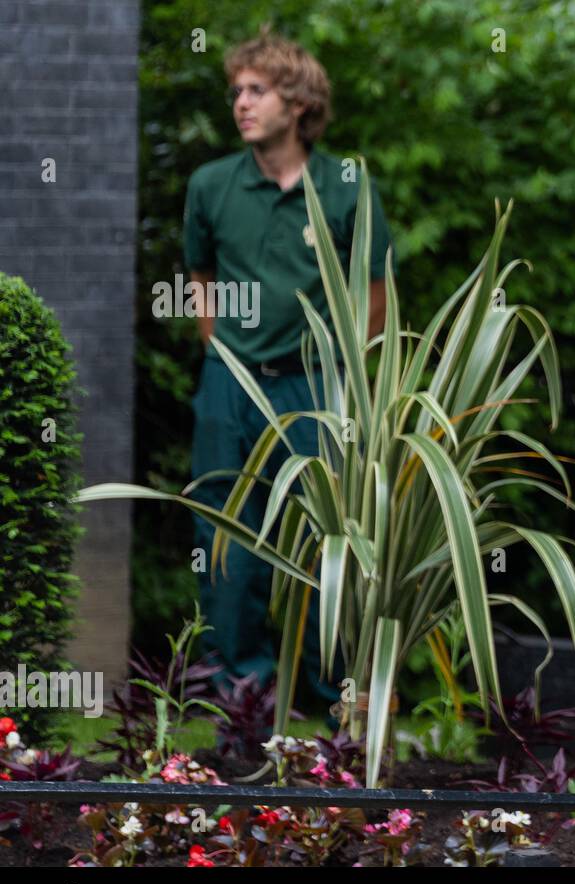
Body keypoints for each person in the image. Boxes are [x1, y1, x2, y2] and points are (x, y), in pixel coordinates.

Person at [181, 27, 396, 717]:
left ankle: (329, 699)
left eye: (256, 90)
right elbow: (201, 279)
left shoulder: (346, 184)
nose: (240, 103)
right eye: (236, 91)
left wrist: (356, 387)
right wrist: (224, 357)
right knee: (225, 541)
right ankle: (239, 698)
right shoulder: (210, 184)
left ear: (297, 102)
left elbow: (373, 290)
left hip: (318, 390)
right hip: (231, 389)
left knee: (323, 539)